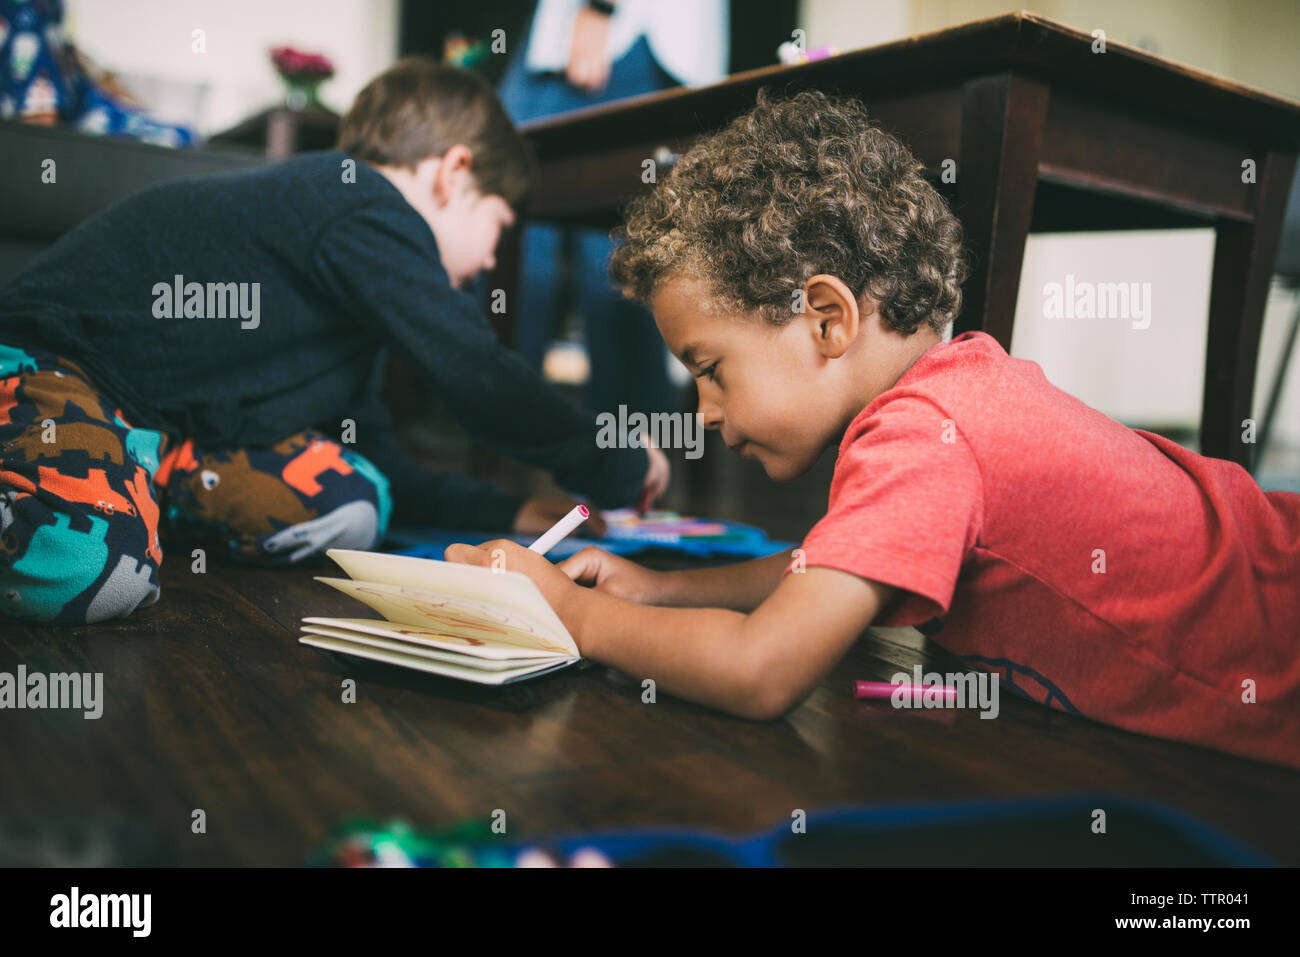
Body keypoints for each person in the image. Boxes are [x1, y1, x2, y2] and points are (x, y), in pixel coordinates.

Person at [446, 89, 1300, 770]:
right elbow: (823, 572)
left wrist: (567, 613)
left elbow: (760, 670)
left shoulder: (925, 434)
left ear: (826, 317)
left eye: (710, 369)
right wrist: (654, 591)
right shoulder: (952, 391)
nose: (703, 411)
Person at [0, 59, 667, 626]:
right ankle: (110, 497)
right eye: (497, 224)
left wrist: (510, 508)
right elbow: (477, 374)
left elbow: (379, 456)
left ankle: (145, 486)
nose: (489, 258)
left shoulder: (351, 297)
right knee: (91, 564)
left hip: (168, 433)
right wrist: (612, 457)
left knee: (353, 498)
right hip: (47, 366)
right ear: (452, 172)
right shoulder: (358, 203)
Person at [496, 0, 728, 417]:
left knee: (525, 213)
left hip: (618, 32)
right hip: (619, 35)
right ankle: (623, 445)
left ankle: (502, 422)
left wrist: (601, 8)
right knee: (615, 236)